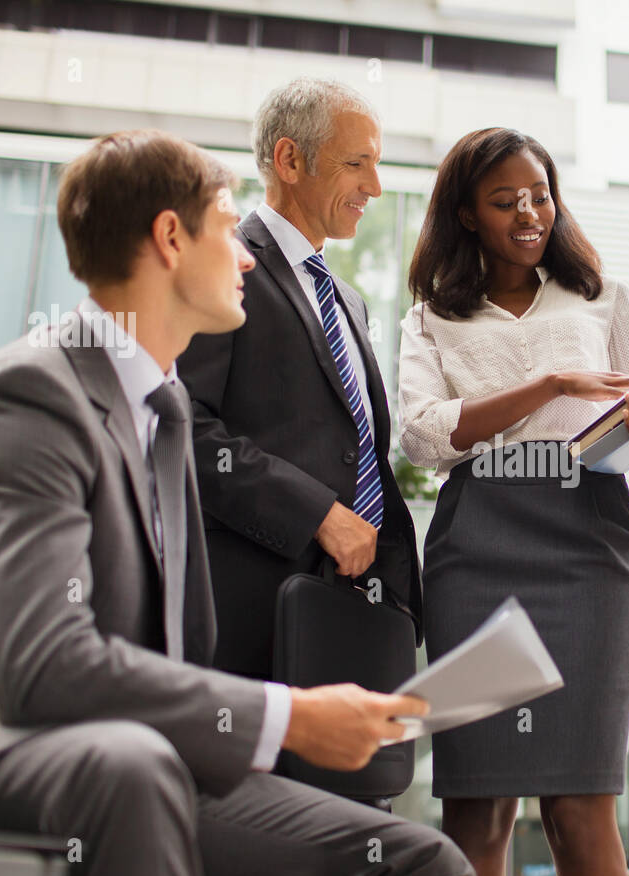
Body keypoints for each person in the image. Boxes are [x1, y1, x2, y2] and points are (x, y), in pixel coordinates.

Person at [0, 128, 475, 876]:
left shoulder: (164, 412)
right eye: (231, 229)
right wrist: (294, 716)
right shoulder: (32, 397)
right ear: (170, 238)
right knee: (132, 770)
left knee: (423, 870)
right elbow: (43, 672)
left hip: (138, 757)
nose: (246, 258)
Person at [398, 127, 629, 876]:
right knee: (477, 804)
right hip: (477, 547)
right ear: (466, 215)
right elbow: (424, 436)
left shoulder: (604, 297)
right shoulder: (432, 317)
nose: (529, 212)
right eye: (505, 201)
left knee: (581, 801)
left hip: (591, 543)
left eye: (540, 194)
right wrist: (546, 386)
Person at [177, 78, 423, 708]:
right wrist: (314, 513)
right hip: (257, 616)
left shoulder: (348, 301)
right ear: (289, 160)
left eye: (377, 165)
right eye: (355, 164)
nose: (373, 187)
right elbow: (183, 426)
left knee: (362, 796)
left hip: (355, 611)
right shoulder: (224, 266)